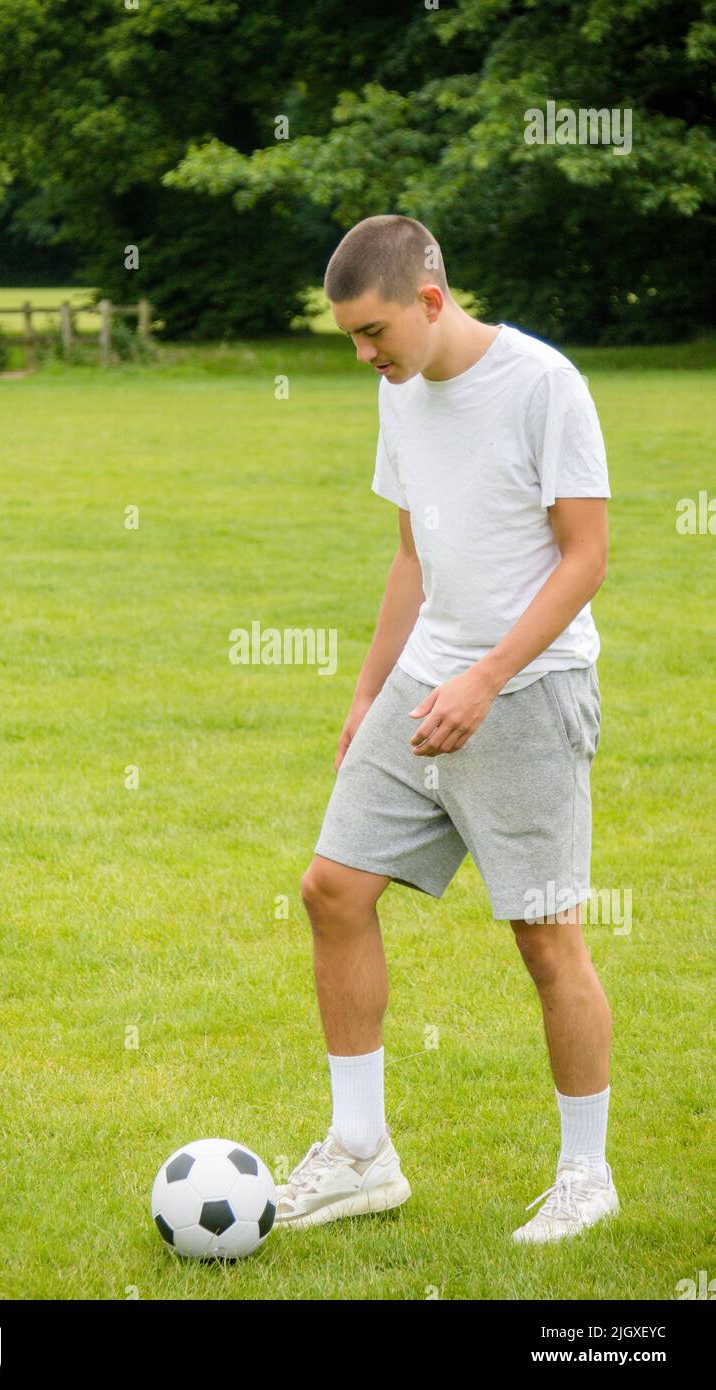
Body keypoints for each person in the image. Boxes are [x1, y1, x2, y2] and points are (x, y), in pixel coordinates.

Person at [276, 215, 617, 1244]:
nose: (362, 355)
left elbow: (584, 555)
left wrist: (487, 676)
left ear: (428, 300)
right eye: (348, 337)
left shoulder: (541, 384)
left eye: (372, 331)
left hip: (526, 690)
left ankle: (584, 1173)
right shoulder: (401, 393)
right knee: (331, 889)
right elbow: (411, 558)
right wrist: (364, 693)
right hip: (425, 677)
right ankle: (360, 1151)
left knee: (543, 937)